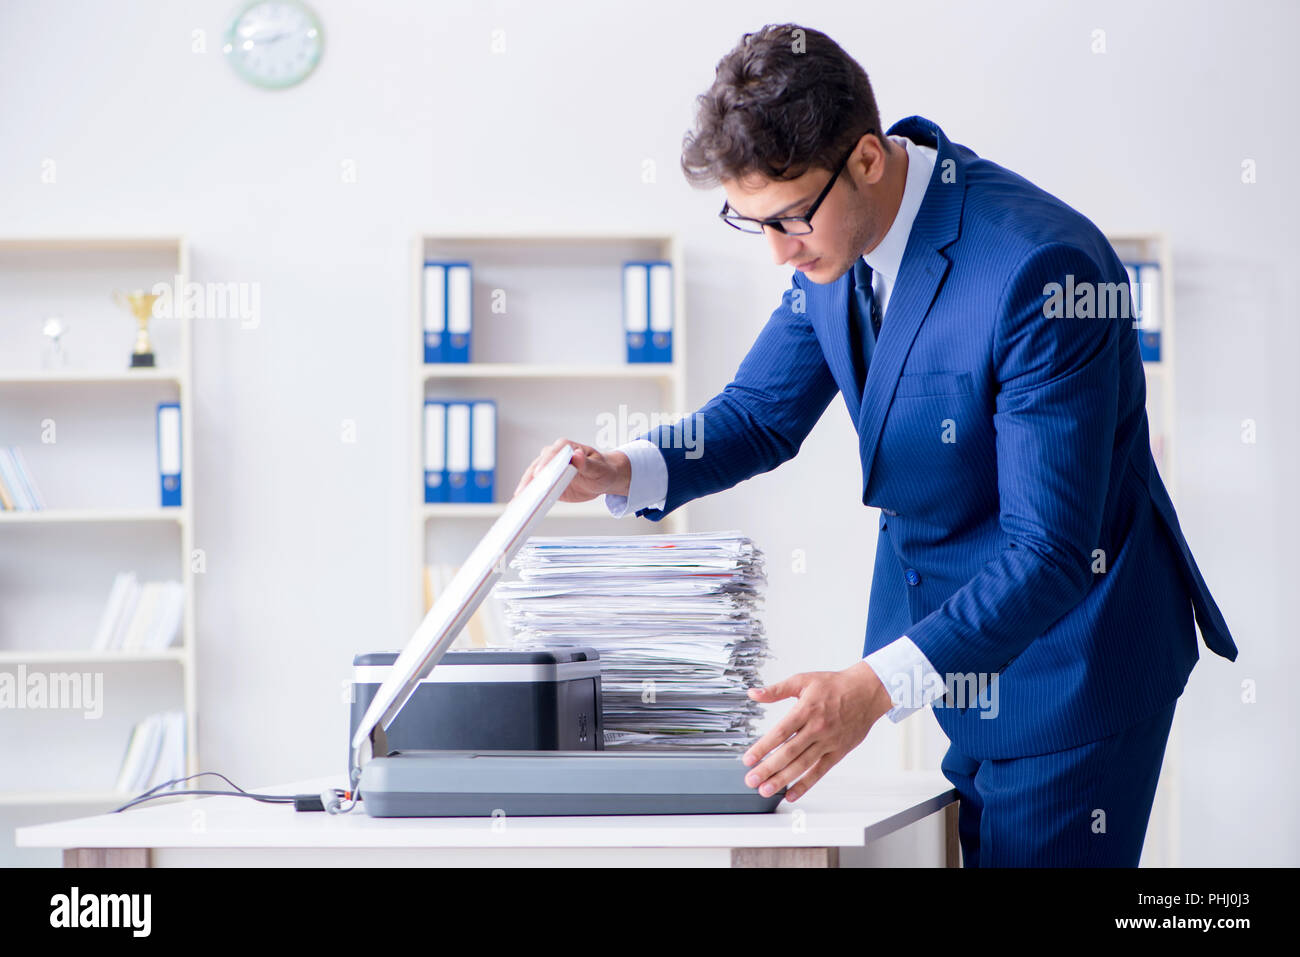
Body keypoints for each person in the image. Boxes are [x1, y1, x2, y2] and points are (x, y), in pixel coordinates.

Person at [512, 23, 1236, 866]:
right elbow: (757, 413)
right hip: (964, 656)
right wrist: (623, 465)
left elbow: (1051, 551)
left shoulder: (1041, 270)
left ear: (864, 159)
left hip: (1071, 668)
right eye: (754, 225)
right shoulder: (836, 241)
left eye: (789, 220)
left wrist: (867, 689)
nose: (780, 252)